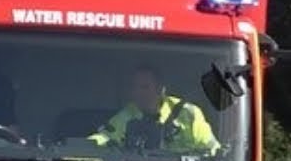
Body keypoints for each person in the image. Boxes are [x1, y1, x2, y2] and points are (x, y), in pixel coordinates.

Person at [87, 64, 220, 155]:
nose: (138, 92)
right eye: (134, 87)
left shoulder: (188, 113)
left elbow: (211, 150)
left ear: (161, 90)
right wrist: (81, 148)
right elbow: (105, 138)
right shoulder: (128, 114)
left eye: (144, 87)